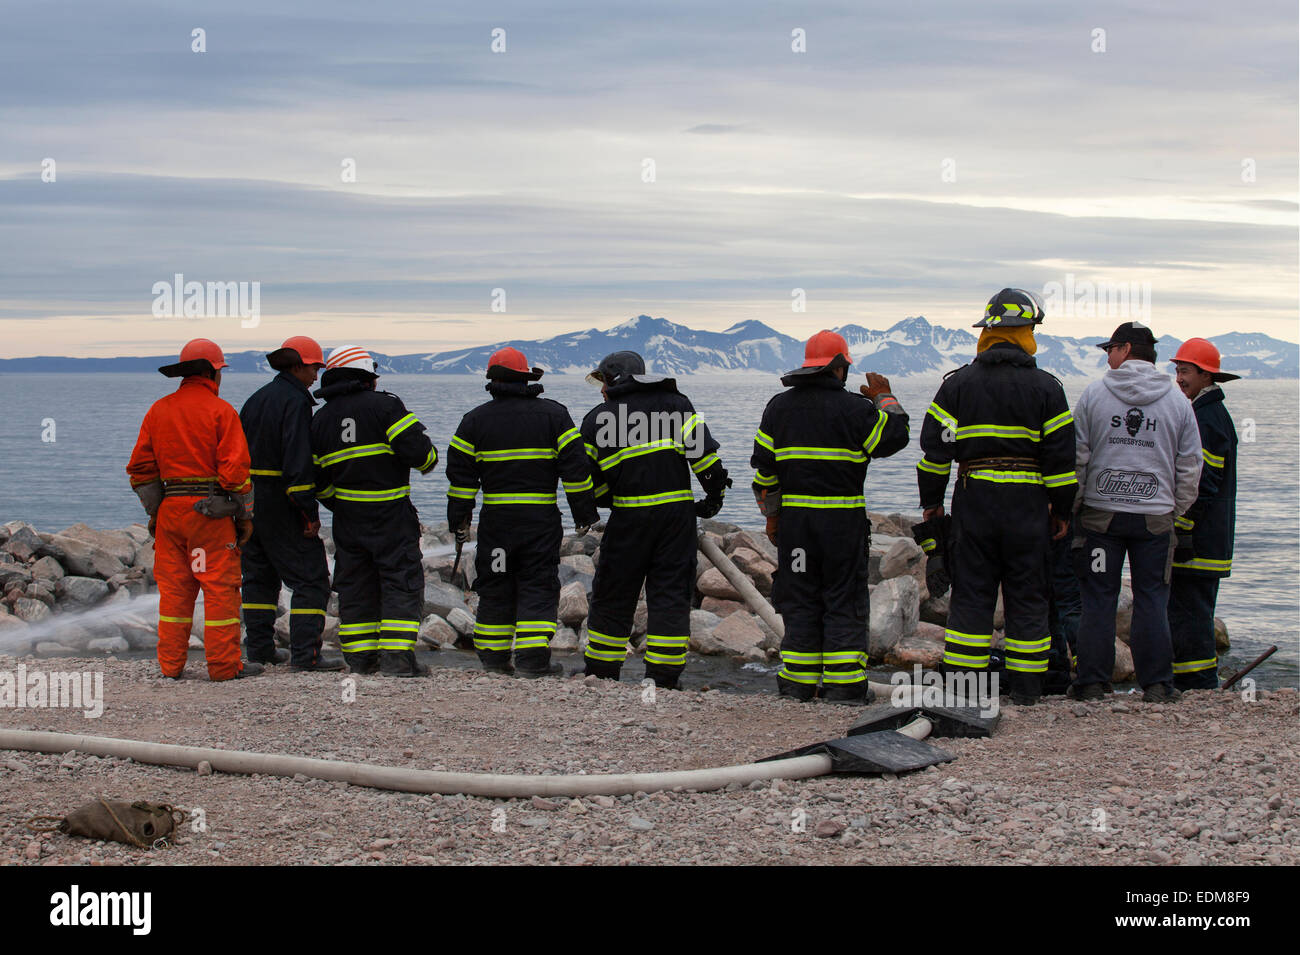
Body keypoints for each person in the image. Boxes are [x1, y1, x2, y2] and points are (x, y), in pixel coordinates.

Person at [917, 289, 1078, 706]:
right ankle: (1027, 691)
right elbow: (1062, 462)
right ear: (1027, 332)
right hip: (1028, 506)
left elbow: (935, 454)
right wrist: (1061, 511)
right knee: (1028, 594)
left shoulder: (957, 386)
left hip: (975, 504)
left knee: (972, 593)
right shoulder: (1047, 388)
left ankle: (966, 691)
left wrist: (931, 504)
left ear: (987, 331)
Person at [751, 330, 910, 703]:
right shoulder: (857, 409)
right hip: (841, 526)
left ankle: (797, 685)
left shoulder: (779, 408)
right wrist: (885, 398)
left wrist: (772, 519)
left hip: (797, 529)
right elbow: (894, 439)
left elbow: (763, 472)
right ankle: (843, 687)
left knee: (800, 595)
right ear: (839, 368)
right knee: (843, 597)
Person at [579, 351, 730, 689]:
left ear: (614, 379)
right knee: (670, 594)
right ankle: (663, 679)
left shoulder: (597, 419)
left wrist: (599, 503)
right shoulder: (676, 405)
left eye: (603, 382)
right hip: (676, 521)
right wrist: (713, 500)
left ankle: (602, 675)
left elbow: (588, 481)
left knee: (614, 593)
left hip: (628, 520)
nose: (601, 390)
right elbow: (706, 461)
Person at [445, 347, 599, 677]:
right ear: (526, 378)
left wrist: (459, 519)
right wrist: (584, 514)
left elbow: (461, 479)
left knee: (497, 584)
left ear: (493, 381)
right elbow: (575, 470)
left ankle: (494, 662)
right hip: (538, 525)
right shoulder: (554, 416)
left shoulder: (474, 420)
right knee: (536, 584)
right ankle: (531, 662)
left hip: (497, 526)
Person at [1071, 321, 1202, 703]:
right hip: (1154, 518)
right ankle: (1158, 684)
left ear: (1125, 349)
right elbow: (1190, 463)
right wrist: (1173, 509)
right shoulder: (1177, 401)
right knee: (1151, 598)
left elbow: (1079, 456)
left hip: (1101, 516)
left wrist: (1077, 504)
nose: (1107, 356)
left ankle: (1092, 682)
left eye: (1109, 348)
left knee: (1097, 598)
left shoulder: (1095, 394)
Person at [126, 339, 260, 681]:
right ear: (213, 373)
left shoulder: (158, 410)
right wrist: (244, 514)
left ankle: (170, 667)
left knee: (174, 592)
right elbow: (235, 471)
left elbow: (141, 469)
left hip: (171, 512)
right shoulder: (221, 412)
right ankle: (223, 667)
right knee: (219, 590)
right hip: (211, 515)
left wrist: (158, 512)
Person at [310, 345, 438, 677]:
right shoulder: (386, 407)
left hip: (348, 520)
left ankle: (361, 660)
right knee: (400, 580)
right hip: (391, 514)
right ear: (366, 378)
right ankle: (397, 660)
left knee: (355, 585)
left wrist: (339, 504)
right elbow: (423, 457)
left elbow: (317, 480)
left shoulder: (320, 420)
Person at [238, 336, 342, 672]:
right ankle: (305, 657)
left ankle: (259, 651)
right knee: (311, 579)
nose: (316, 375)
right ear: (296, 366)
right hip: (282, 500)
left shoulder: (255, 400)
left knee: (259, 577)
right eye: (313, 367)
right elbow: (298, 462)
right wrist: (308, 512)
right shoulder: (296, 402)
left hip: (249, 500)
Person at [1167, 338, 1239, 689]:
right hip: (1209, 539)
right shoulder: (1208, 413)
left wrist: (1182, 525)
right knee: (1193, 610)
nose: (1178, 378)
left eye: (1185, 371)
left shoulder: (1206, 418)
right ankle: (1197, 678)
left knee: (1190, 611)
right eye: (1177, 370)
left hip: (1199, 541)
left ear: (1206, 376)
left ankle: (1197, 682)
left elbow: (1204, 482)